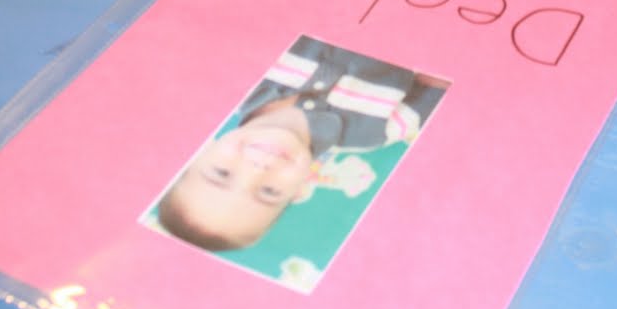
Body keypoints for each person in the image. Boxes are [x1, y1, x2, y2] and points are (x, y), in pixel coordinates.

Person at [154, 37, 446, 252]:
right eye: (269, 191)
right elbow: (444, 83)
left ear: (200, 152)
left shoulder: (235, 75)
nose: (259, 169)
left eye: (222, 174)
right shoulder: (374, 133)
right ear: (299, 191)